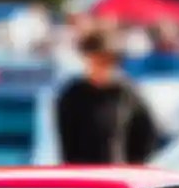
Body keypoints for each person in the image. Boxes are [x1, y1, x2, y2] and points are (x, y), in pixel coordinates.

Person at [56, 30, 159, 165]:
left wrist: (132, 165)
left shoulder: (126, 93)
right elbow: (66, 143)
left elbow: (147, 134)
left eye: (106, 62)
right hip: (83, 175)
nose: (101, 68)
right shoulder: (72, 95)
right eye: (96, 61)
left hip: (117, 174)